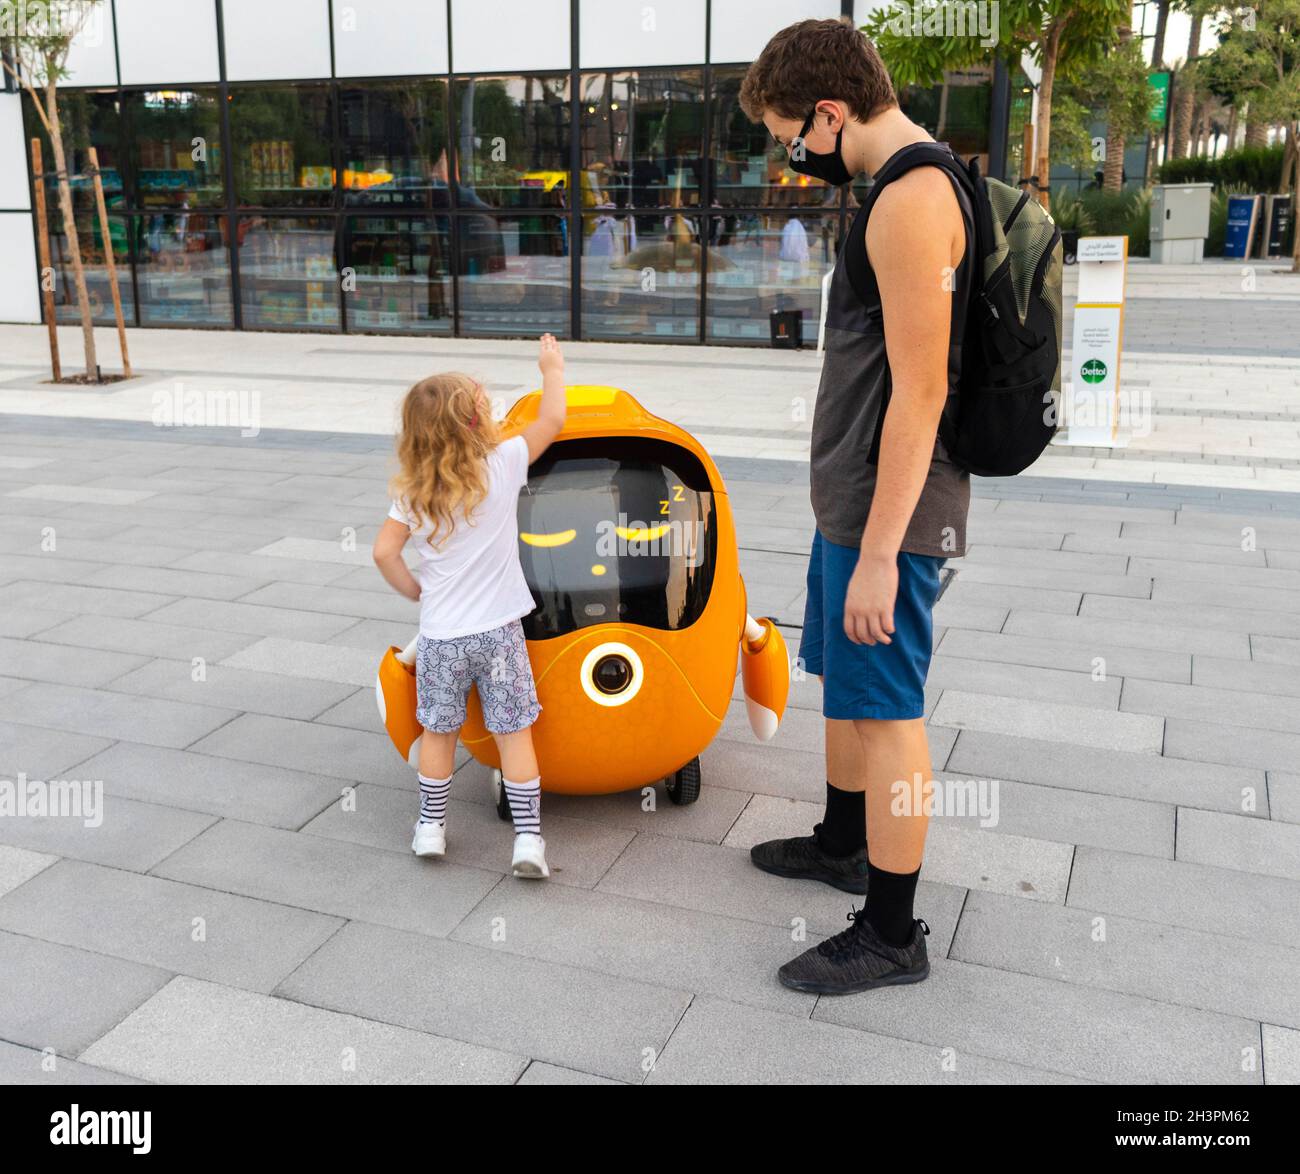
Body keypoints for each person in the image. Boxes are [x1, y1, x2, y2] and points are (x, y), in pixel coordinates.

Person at [739, 18, 972, 994]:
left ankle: (891, 930)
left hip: (894, 517)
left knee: (889, 715)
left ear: (830, 113)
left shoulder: (912, 200)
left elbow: (921, 394)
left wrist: (880, 553)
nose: (789, 154)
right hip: (852, 503)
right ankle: (844, 837)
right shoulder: (887, 190)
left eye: (789, 133)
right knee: (842, 679)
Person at [372, 335, 567, 878]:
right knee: (514, 733)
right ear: (478, 422)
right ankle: (528, 840)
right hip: (500, 634)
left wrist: (413, 589)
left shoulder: (412, 492)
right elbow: (552, 420)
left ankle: (431, 828)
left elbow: (383, 551)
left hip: (441, 635)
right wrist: (551, 368)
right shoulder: (502, 464)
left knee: (440, 732)